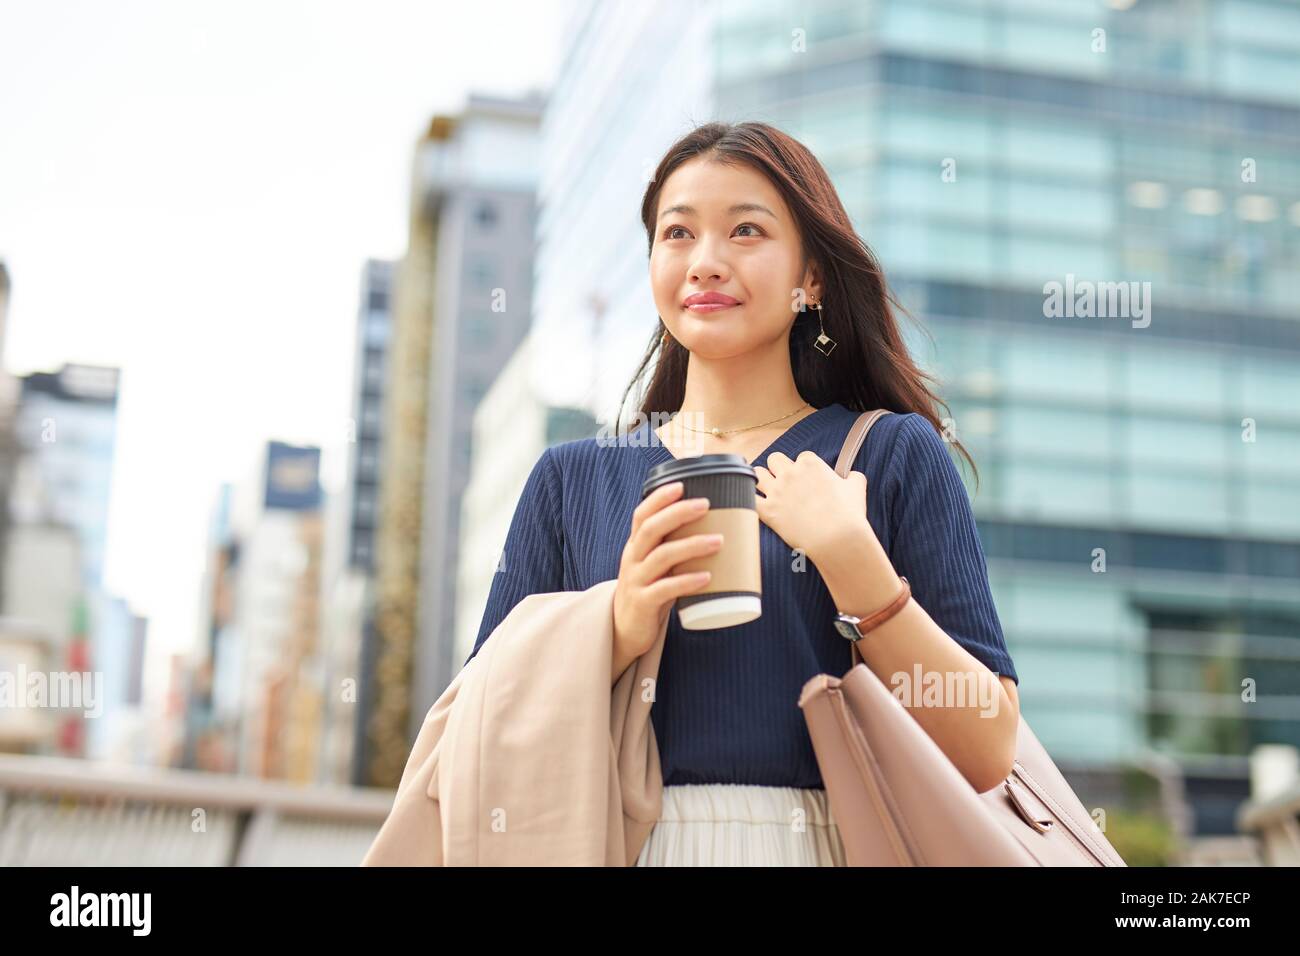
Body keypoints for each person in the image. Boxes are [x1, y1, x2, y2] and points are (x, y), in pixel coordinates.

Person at [465, 121, 1020, 866]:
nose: (706, 263)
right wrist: (618, 626)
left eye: (746, 231)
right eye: (678, 234)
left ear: (813, 278)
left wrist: (854, 561)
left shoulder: (889, 454)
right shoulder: (570, 480)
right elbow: (481, 728)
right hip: (621, 846)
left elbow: (987, 748)